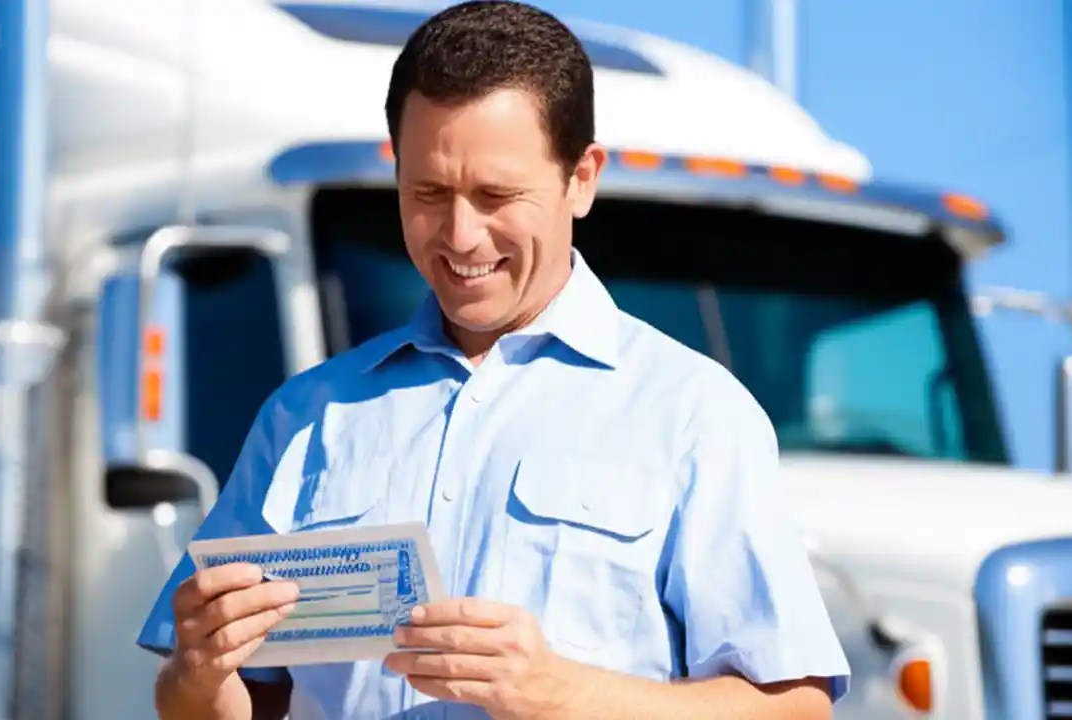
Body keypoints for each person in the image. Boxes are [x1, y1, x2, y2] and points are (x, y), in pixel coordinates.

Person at [138, 1, 851, 718]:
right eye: (428, 194)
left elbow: (793, 707)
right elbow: (219, 704)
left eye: (495, 195)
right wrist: (198, 674)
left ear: (582, 178)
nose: (460, 235)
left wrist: (559, 693)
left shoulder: (694, 413)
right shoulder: (304, 416)